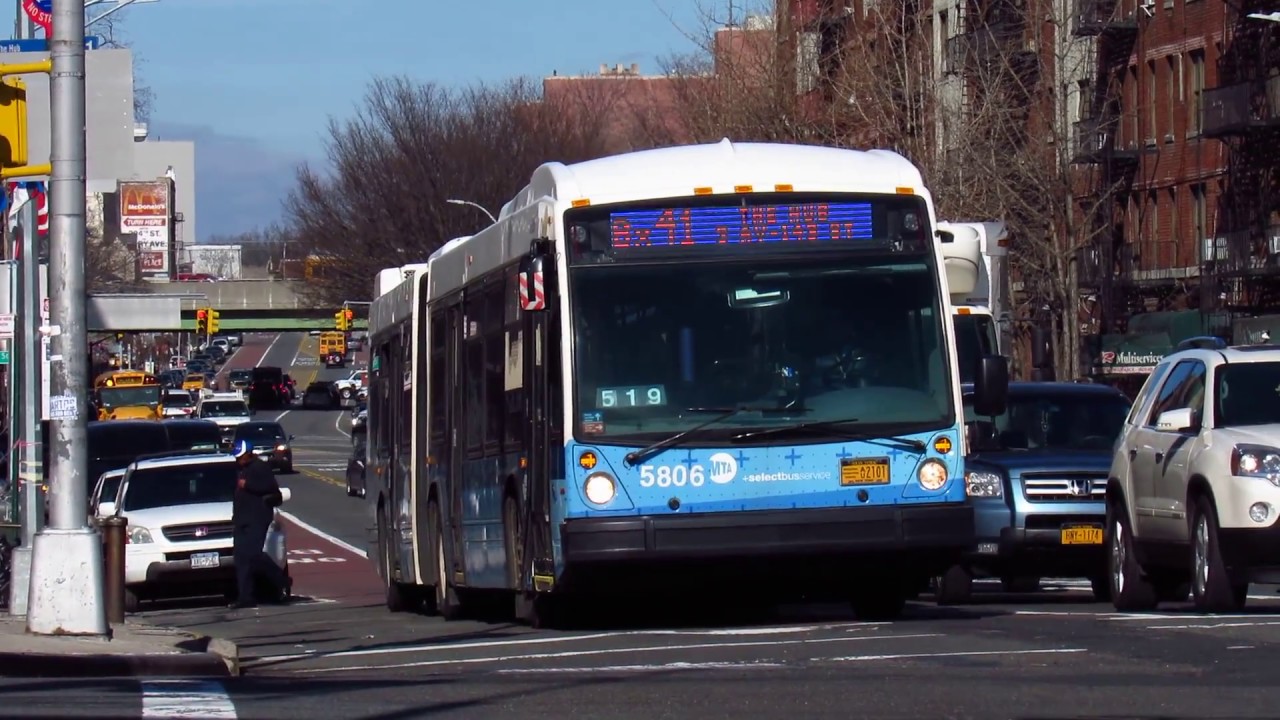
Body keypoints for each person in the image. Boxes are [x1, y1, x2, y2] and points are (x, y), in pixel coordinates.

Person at [230, 439, 291, 609]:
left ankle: (280, 581)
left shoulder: (260, 467)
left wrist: (248, 485)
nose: (238, 459)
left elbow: (271, 488)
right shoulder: (240, 469)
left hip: (257, 518)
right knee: (241, 558)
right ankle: (245, 597)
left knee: (254, 556)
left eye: (241, 456)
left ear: (249, 454)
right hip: (242, 520)